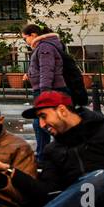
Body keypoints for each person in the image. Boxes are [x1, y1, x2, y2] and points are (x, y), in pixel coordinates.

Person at [23, 23, 70, 157]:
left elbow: (47, 69)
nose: (25, 42)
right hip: (50, 88)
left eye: (24, 38)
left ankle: (44, 154)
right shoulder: (45, 45)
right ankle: (47, 153)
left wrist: (45, 92)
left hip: (49, 89)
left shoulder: (44, 46)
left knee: (41, 123)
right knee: (45, 122)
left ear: (33, 35)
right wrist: (30, 74)